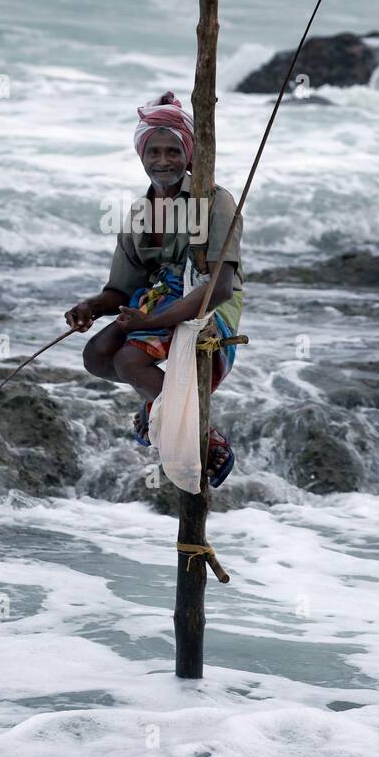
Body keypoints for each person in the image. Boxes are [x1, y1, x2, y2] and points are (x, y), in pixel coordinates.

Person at [64, 91, 243, 486]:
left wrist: (154, 319)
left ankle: (205, 435)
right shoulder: (140, 213)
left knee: (130, 361)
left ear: (190, 154)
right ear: (141, 157)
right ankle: (158, 403)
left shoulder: (215, 201)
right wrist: (91, 306)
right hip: (158, 302)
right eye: (154, 153)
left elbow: (221, 288)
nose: (163, 162)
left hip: (207, 306)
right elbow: (120, 289)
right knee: (97, 354)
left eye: (173, 152)